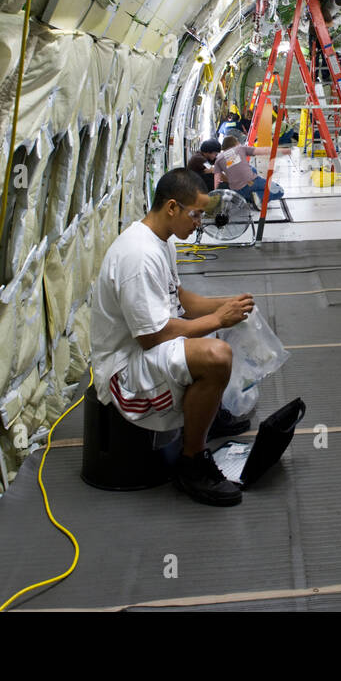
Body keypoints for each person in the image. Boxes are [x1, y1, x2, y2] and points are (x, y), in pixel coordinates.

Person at [90, 168, 256, 506]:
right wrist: (215, 319)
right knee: (217, 355)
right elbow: (154, 336)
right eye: (195, 214)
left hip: (148, 347)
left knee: (224, 324)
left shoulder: (159, 241)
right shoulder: (138, 256)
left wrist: (228, 306)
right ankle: (191, 462)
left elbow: (181, 301)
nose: (199, 222)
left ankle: (208, 411)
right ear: (171, 208)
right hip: (125, 370)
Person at [214, 135, 284, 207]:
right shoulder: (239, 149)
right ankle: (259, 197)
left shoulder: (218, 159)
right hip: (249, 182)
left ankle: (249, 198)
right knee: (279, 190)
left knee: (252, 169)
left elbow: (218, 178)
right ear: (235, 144)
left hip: (236, 190)